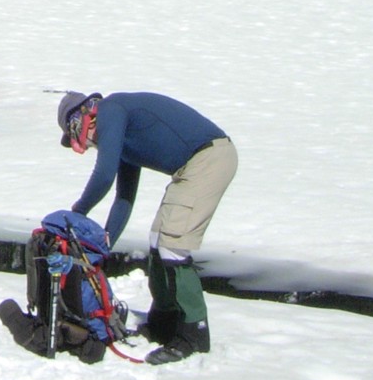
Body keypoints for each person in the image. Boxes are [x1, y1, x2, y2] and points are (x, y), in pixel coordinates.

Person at [53, 88, 237, 363]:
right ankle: (163, 322)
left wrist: (77, 213)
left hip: (209, 159)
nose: (89, 146)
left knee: (173, 245)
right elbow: (124, 199)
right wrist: (103, 248)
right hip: (192, 167)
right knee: (157, 239)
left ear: (82, 119)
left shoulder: (111, 110)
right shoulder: (123, 135)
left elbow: (104, 176)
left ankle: (193, 334)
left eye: (79, 138)